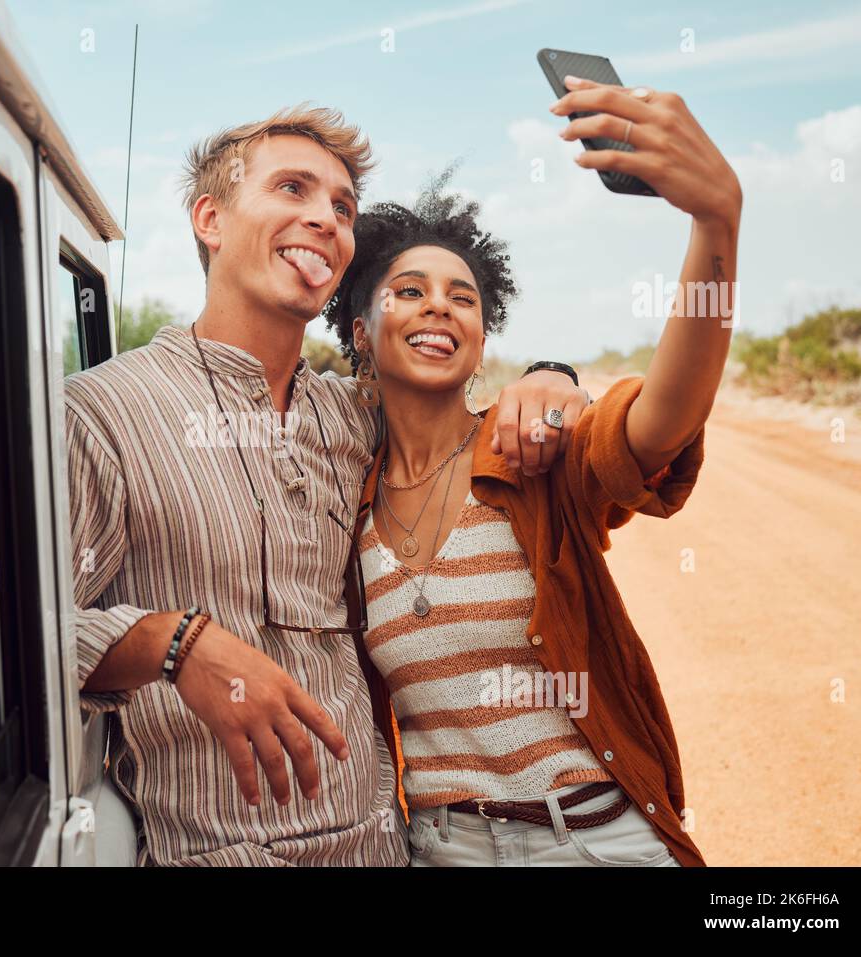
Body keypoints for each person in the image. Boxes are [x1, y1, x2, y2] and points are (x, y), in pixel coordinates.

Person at [65, 105, 588, 865]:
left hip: (381, 845)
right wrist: (171, 642)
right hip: (213, 852)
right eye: (293, 189)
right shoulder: (105, 410)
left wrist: (552, 374)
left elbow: (452, 406)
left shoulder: (352, 417)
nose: (325, 219)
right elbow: (7, 633)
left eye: (342, 207)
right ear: (210, 217)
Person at [325, 76, 741, 867]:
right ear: (360, 330)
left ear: (481, 339)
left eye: (463, 299)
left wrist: (714, 221)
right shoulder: (344, 494)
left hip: (591, 841)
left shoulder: (535, 453)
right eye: (407, 292)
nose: (438, 307)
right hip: (439, 847)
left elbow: (663, 417)